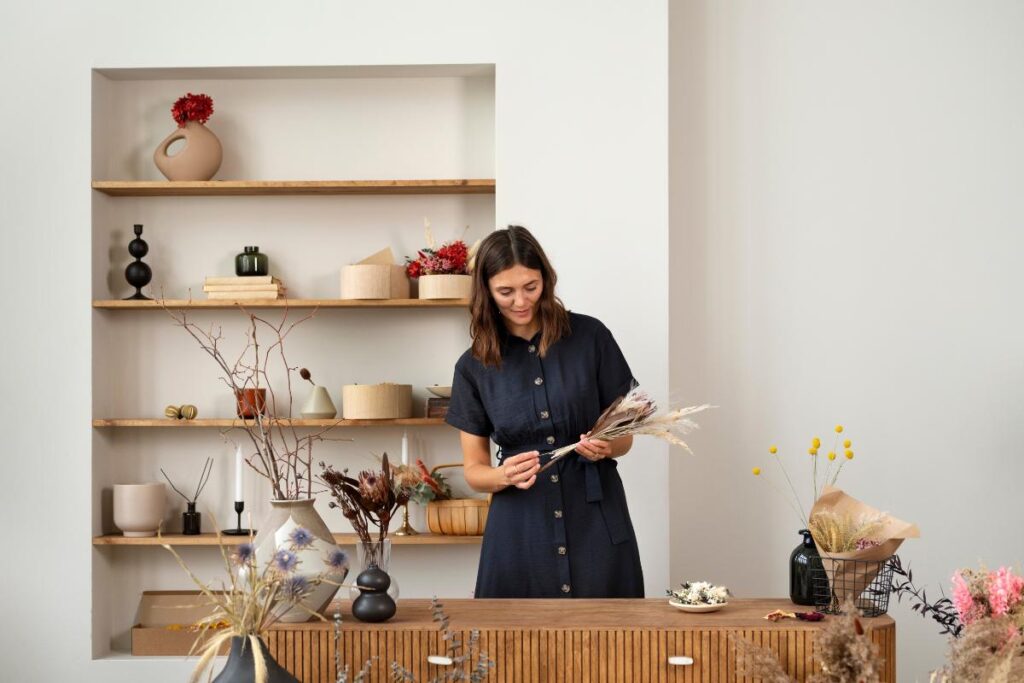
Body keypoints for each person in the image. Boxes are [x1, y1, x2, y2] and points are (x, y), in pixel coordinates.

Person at [444, 225, 645, 598]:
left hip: (596, 521)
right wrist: (502, 475)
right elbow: (474, 471)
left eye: (530, 287)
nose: (520, 301)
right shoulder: (472, 367)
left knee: (612, 644)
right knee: (513, 649)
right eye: (506, 291)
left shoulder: (591, 338)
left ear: (546, 280)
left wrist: (607, 446)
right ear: (486, 291)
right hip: (520, 530)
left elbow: (626, 436)